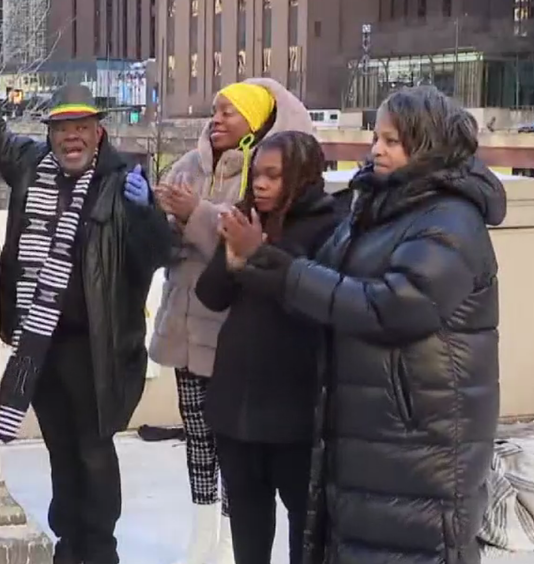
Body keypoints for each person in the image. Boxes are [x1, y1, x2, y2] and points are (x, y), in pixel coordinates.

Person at [231, 85, 504, 563]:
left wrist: (284, 272)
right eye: (376, 137)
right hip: (367, 436)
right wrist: (269, 261)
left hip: (419, 444)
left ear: (428, 145)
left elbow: (392, 308)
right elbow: (331, 280)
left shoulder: (450, 222)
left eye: (392, 140)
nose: (375, 149)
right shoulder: (378, 207)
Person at [0, 9, 172, 564]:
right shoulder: (32, 165)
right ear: (50, 133)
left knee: (94, 451)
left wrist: (148, 212)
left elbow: (157, 257)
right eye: (62, 127)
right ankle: (70, 545)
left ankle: (99, 548)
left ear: (98, 131)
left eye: (82, 127)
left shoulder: (121, 179)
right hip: (42, 344)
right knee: (60, 450)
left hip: (96, 346)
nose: (72, 136)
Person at [149, 78, 314, 564]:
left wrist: (195, 213)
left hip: (227, 331)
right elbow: (169, 233)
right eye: (216, 111)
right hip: (184, 317)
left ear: (257, 120)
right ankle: (204, 533)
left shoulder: (268, 172)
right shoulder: (190, 164)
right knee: (197, 435)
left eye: (230, 112)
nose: (216, 119)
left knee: (233, 445)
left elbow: (246, 241)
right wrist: (160, 216)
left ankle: (227, 532)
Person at [193, 131, 343, 564]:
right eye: (257, 174)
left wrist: (256, 256)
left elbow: (314, 303)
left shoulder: (328, 228)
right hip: (236, 408)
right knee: (248, 527)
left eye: (273, 176)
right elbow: (210, 295)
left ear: (301, 176)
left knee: (305, 530)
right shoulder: (245, 218)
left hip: (294, 414)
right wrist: (232, 259)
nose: (259, 184)